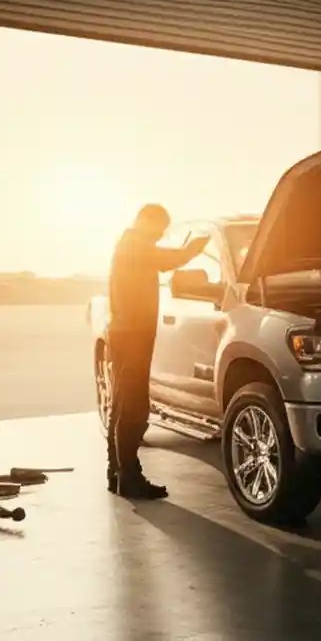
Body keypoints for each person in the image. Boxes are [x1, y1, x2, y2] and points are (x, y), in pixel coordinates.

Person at [106, 204, 208, 499]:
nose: (161, 234)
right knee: (134, 408)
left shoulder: (129, 245)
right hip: (133, 335)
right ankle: (130, 477)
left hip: (124, 333)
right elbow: (169, 259)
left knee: (122, 405)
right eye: (159, 228)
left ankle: (117, 474)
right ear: (145, 221)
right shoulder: (136, 245)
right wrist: (195, 247)